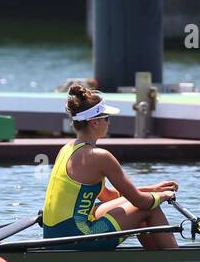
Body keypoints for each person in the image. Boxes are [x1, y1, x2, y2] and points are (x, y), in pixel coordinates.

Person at [40, 83, 180, 250]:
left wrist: (152, 189)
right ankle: (175, 261)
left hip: (54, 236)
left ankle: (154, 259)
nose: (109, 123)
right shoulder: (100, 156)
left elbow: (107, 196)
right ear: (94, 122)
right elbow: (141, 202)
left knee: (140, 206)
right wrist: (163, 196)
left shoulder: (66, 149)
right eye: (106, 118)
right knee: (151, 208)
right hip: (79, 236)